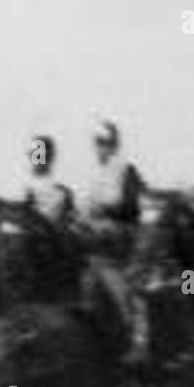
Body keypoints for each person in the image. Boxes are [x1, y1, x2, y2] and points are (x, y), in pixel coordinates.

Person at [79, 120, 147, 364]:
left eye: (106, 143)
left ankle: (138, 341)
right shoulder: (95, 176)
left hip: (121, 242)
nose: (101, 148)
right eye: (98, 143)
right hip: (97, 245)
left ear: (114, 144)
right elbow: (86, 209)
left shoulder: (126, 171)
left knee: (126, 292)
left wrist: (108, 208)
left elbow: (134, 205)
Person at [21, 134, 75, 228]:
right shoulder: (24, 187)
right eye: (35, 155)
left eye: (41, 156)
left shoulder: (62, 192)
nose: (39, 160)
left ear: (50, 157)